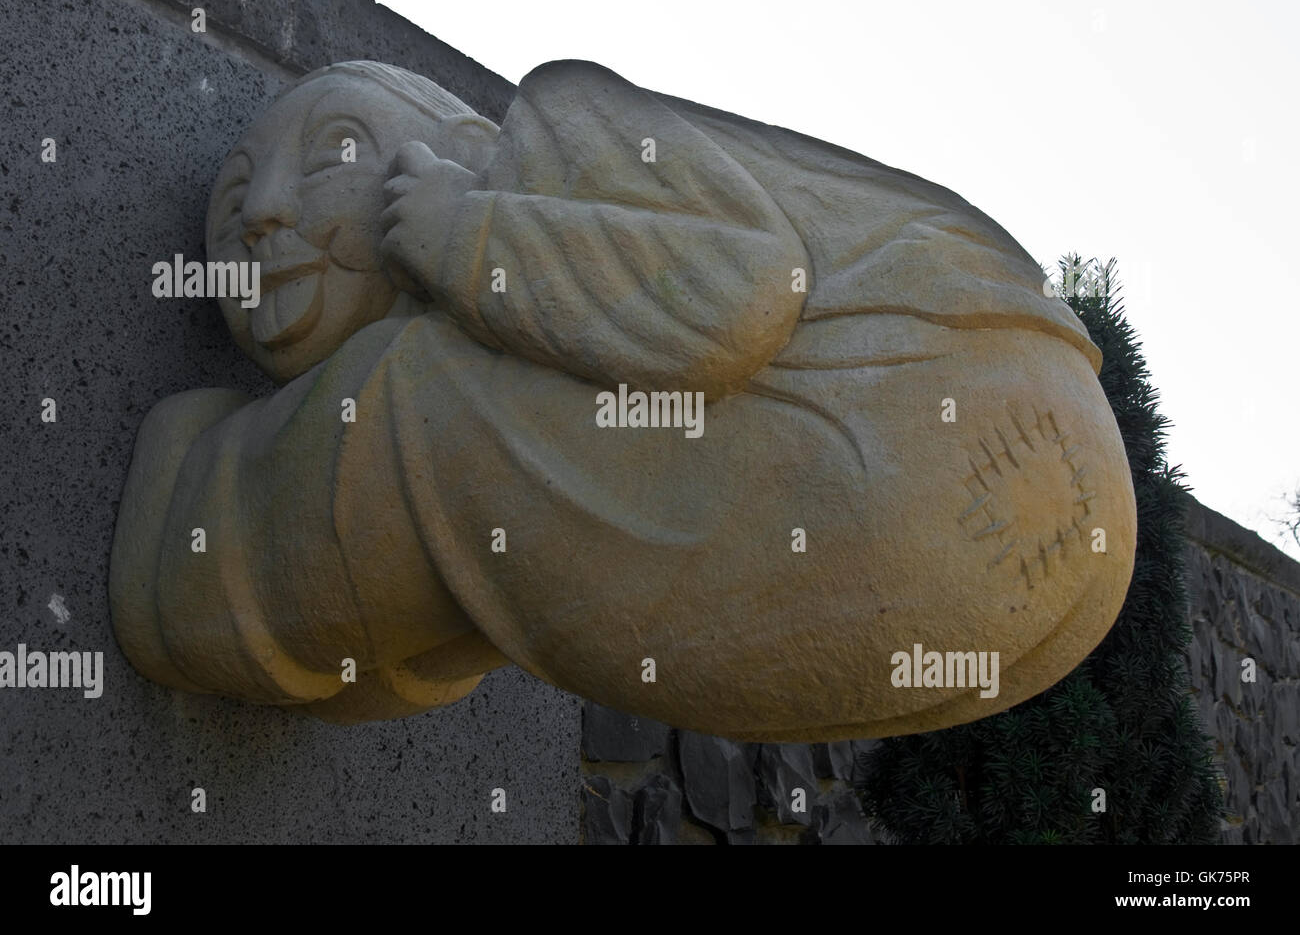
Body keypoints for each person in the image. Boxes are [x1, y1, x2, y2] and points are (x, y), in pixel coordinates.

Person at [110, 59, 1136, 739]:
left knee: (416, 403)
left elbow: (733, 297)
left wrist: (461, 229)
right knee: (486, 525)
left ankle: (191, 563)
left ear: (462, 136)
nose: (264, 213)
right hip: (1046, 571)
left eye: (335, 148)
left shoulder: (561, 123)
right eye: (230, 200)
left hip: (931, 429)